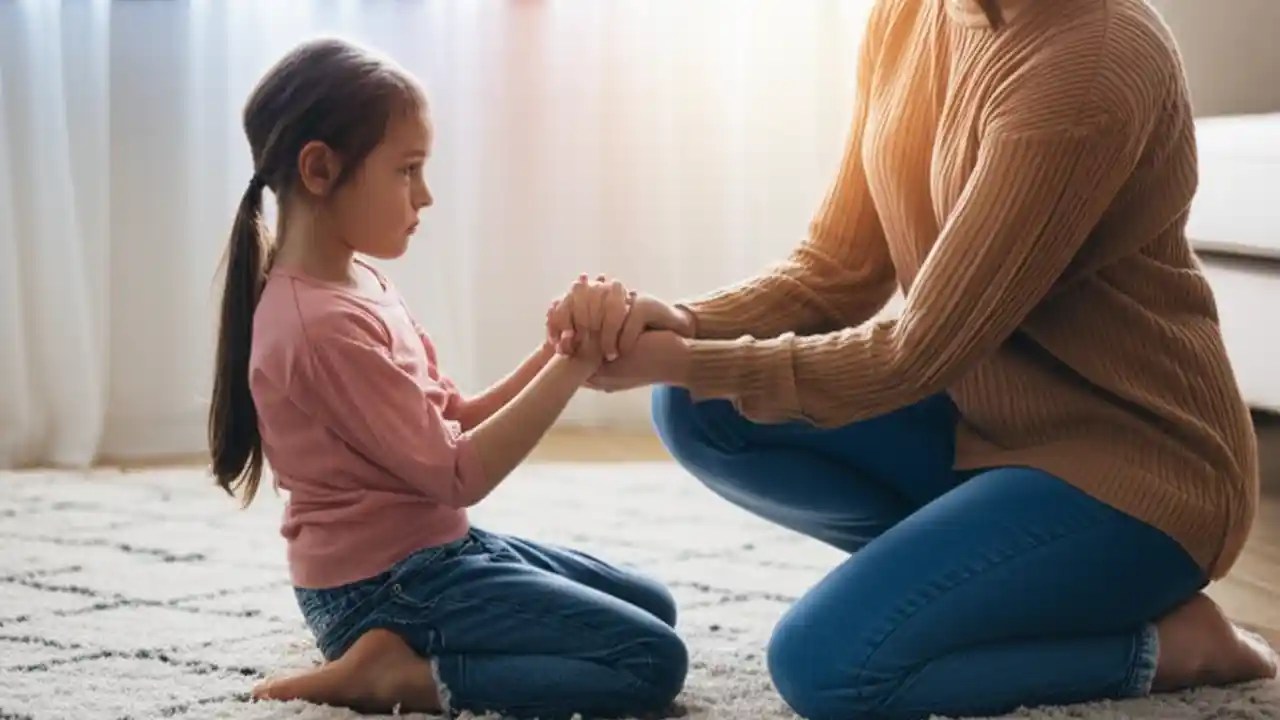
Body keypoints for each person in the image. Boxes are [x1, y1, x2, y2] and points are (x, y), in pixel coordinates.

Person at [548, 0, 1277, 718]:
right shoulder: (909, 13)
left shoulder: (1090, 65)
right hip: (989, 424)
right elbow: (836, 266)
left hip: (1137, 469)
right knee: (698, 406)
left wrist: (684, 357)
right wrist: (686, 323)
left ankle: (1172, 646)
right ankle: (983, 588)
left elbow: (915, 354)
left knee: (827, 667)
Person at [206, 37, 686, 719]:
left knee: (652, 606)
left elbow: (453, 414)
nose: (424, 195)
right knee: (650, 662)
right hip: (380, 587)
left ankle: (416, 651)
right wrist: (574, 365)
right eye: (407, 170)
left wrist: (562, 350)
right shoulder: (320, 329)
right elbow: (461, 474)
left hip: (433, 552)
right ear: (320, 169)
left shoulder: (357, 284)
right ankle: (395, 678)